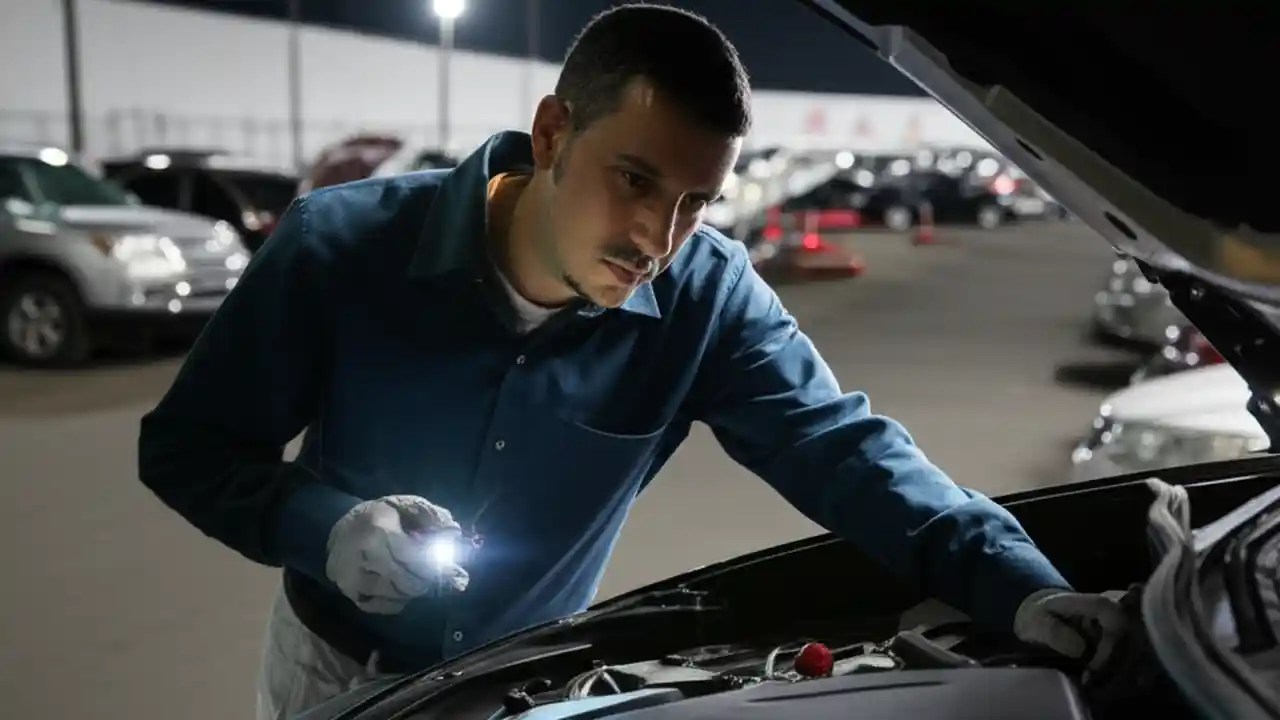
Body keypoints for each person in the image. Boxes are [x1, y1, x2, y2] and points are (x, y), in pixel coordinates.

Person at [137, 4, 1127, 718]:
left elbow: (845, 449)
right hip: (330, 671)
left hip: (525, 685)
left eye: (695, 201)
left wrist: (1021, 587)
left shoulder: (706, 297)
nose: (659, 235)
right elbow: (184, 447)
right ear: (553, 132)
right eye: (635, 179)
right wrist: (320, 528)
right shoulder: (338, 247)